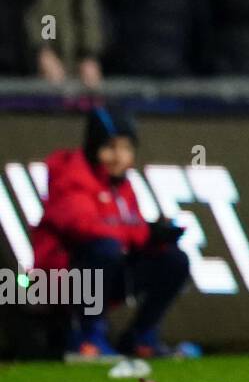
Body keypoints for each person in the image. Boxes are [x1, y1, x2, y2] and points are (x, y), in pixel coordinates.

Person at [28, 106, 191, 361]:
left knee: (174, 259)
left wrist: (155, 238)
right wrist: (142, 235)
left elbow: (125, 228)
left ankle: (141, 337)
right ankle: (86, 338)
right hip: (54, 280)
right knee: (103, 248)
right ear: (94, 147)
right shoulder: (71, 176)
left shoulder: (121, 185)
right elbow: (82, 226)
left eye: (126, 149)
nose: (119, 157)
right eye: (111, 148)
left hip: (100, 273)